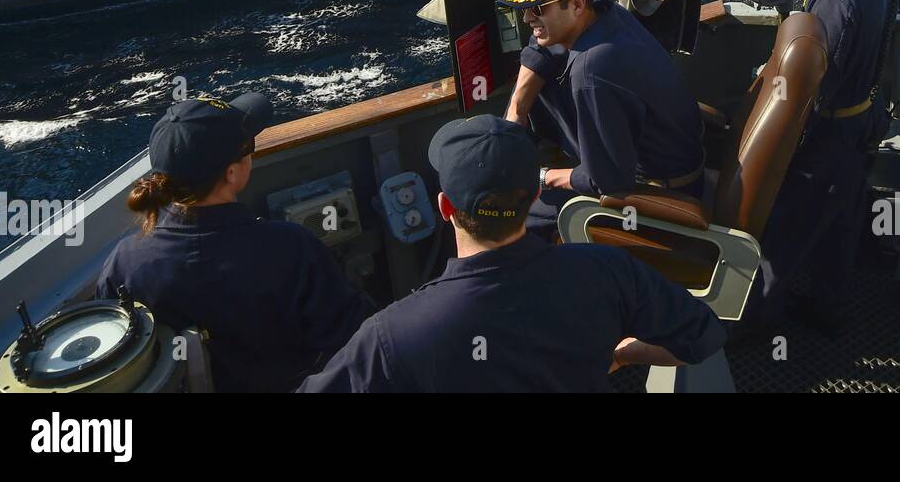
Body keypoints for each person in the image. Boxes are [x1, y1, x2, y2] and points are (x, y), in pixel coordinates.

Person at [300, 116, 726, 393]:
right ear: (537, 195)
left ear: (446, 207)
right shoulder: (607, 269)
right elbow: (702, 338)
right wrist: (621, 353)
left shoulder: (392, 335)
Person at [96, 94, 372, 393]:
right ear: (232, 172)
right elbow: (356, 342)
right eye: (248, 148)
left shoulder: (125, 262)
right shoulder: (290, 247)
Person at [743, 0, 895, 334]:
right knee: (839, 225)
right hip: (861, 118)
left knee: (786, 228)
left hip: (828, 129)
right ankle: (827, 310)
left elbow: (813, 76)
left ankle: (756, 324)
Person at [499, 0, 706, 238]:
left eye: (538, 8)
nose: (526, 19)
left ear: (577, 5)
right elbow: (540, 49)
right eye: (522, 9)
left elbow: (605, 182)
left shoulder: (591, 71)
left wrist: (542, 177)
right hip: (676, 158)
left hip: (659, 196)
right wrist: (516, 112)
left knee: (513, 220)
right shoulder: (608, 13)